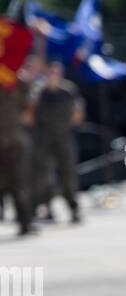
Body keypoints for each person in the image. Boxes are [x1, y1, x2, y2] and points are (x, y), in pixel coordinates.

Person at [29, 60, 85, 222]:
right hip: (43, 138)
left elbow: (79, 114)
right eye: (51, 73)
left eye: (56, 73)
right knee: (43, 175)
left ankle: (73, 209)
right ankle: (45, 208)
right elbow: (29, 114)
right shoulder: (39, 91)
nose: (54, 76)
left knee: (68, 174)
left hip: (63, 137)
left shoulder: (68, 91)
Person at [0, 76, 34, 236]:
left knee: (19, 184)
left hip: (14, 143)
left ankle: (25, 222)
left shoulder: (18, 83)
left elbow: (29, 110)